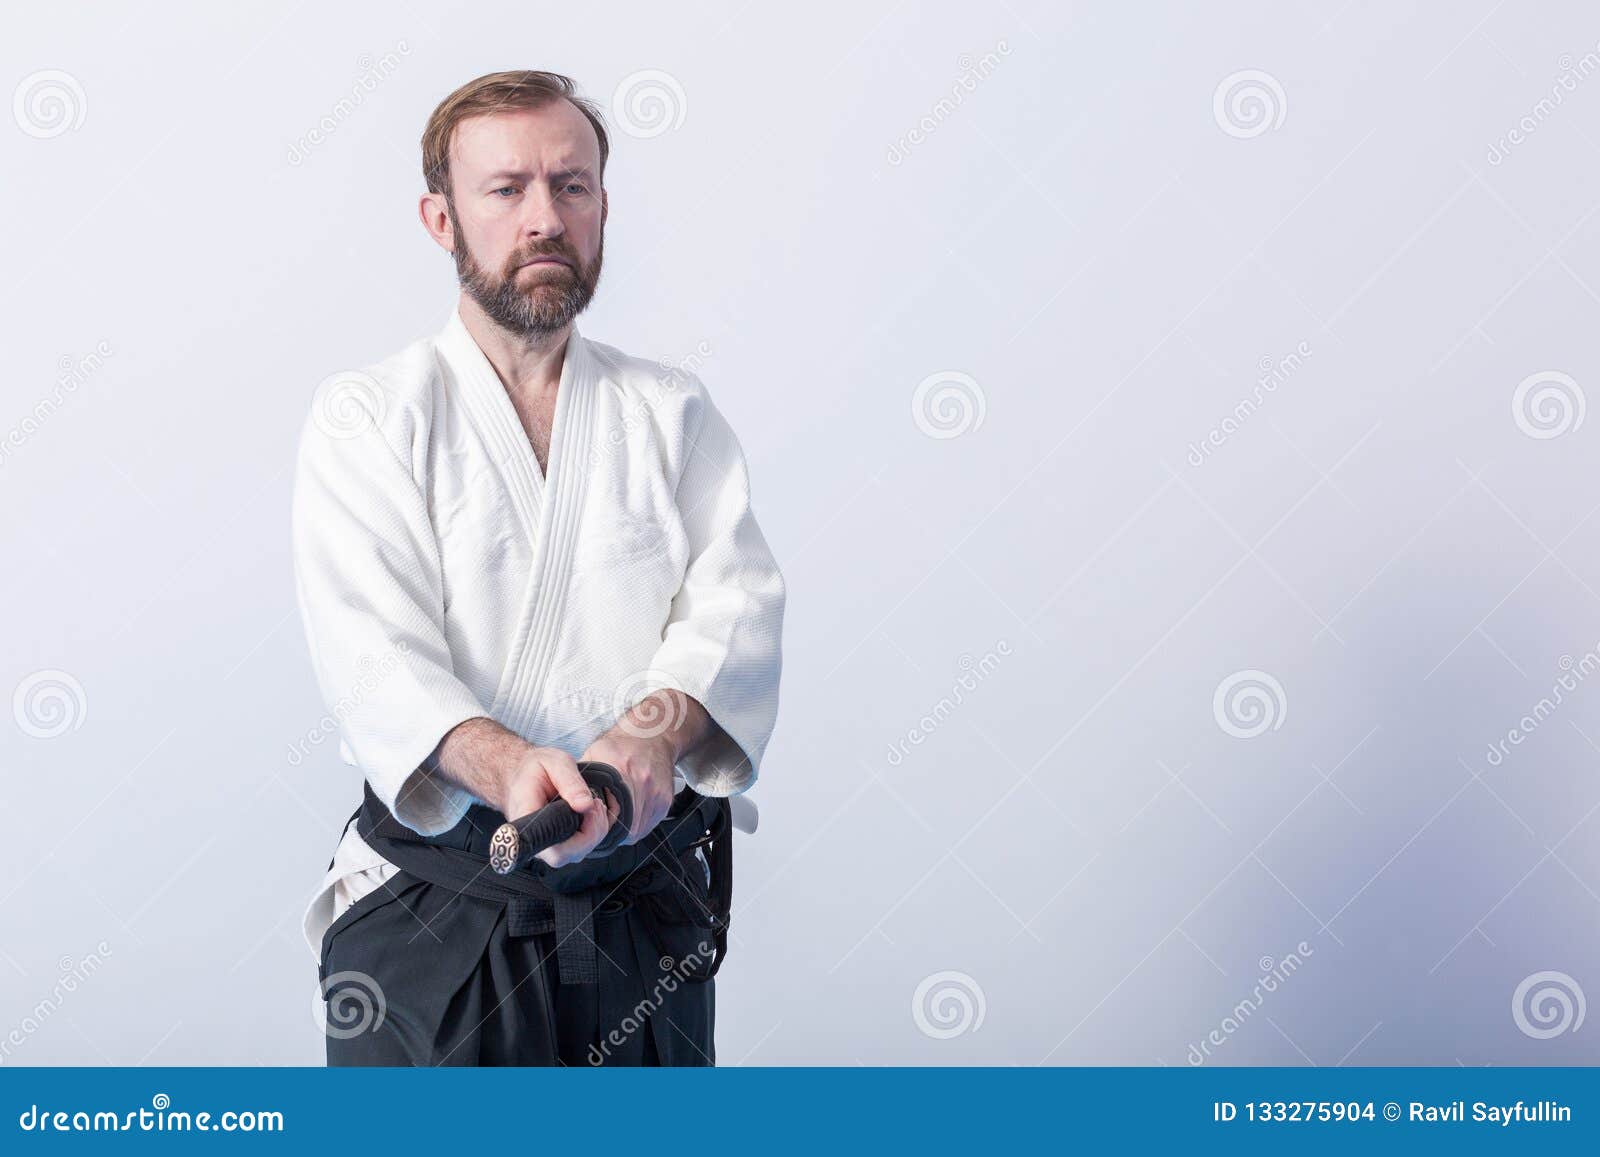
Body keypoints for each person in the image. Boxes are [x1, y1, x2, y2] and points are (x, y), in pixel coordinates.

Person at [290, 70, 785, 1066]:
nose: (543, 217)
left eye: (571, 185)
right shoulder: (368, 417)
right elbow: (372, 650)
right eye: (505, 188)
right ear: (440, 217)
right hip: (438, 906)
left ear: (603, 205)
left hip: (637, 902)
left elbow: (733, 606)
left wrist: (644, 739)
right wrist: (513, 766)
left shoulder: (669, 410)